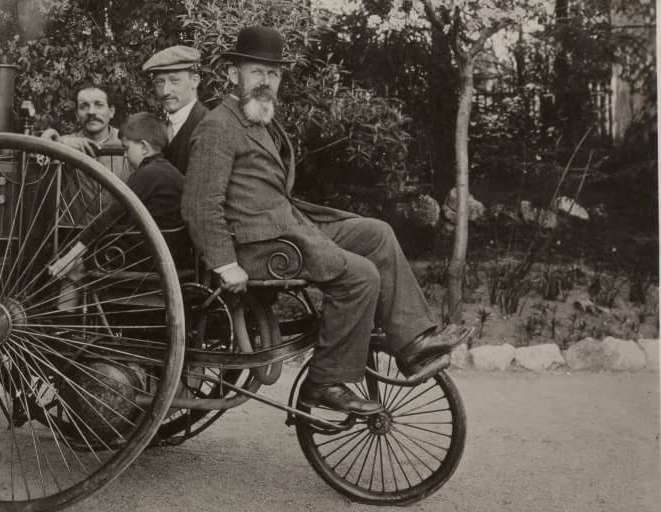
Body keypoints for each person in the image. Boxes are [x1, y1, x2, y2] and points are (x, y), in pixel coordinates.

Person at [182, 26, 473, 416]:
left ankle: (412, 342)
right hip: (257, 248)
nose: (267, 81)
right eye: (257, 72)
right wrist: (224, 263)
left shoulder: (259, 121)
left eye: (274, 74)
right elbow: (200, 205)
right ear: (234, 74)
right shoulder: (218, 127)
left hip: (288, 227)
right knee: (360, 276)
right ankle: (324, 382)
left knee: (377, 234)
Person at [48, 112, 185, 279]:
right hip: (172, 252)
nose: (125, 155)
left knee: (73, 268)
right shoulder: (169, 171)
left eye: (126, 148)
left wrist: (70, 257)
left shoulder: (148, 174)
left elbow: (111, 215)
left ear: (144, 147)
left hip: (150, 256)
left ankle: (63, 306)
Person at [41, 84, 132, 222]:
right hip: (75, 234)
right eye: (84, 106)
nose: (91, 112)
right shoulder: (67, 143)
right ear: (77, 115)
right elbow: (36, 150)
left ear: (111, 111)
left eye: (99, 105)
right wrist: (62, 143)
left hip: (120, 232)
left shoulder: (127, 142)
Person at [142, 46, 210, 174]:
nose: (166, 91)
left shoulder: (208, 125)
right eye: (159, 83)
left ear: (195, 81)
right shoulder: (163, 126)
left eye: (175, 81)